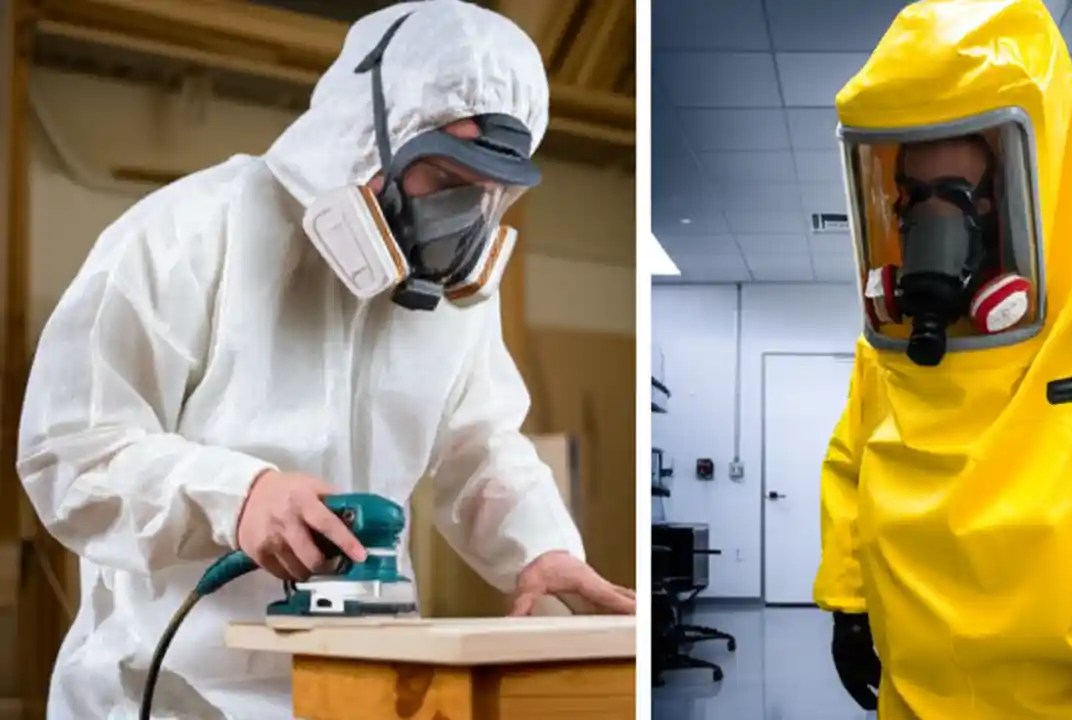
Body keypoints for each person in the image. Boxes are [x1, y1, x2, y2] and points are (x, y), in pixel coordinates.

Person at [15, 2, 634, 718]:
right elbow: (70, 452)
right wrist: (237, 497)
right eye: (446, 176)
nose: (466, 216)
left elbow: (481, 447)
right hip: (168, 693)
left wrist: (541, 550)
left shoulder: (450, 300)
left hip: (364, 689)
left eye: (491, 190)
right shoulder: (188, 233)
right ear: (368, 141)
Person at [814, 1, 1072, 718]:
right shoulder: (891, 346)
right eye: (914, 198)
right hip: (918, 696)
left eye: (960, 197)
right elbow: (853, 468)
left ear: (1028, 187)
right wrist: (848, 601)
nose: (932, 226)